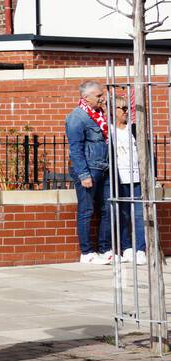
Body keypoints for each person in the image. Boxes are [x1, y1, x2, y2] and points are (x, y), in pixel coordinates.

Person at [66, 80, 113, 265]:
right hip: (89, 170)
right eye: (99, 96)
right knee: (86, 210)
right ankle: (86, 252)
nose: (102, 99)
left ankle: (104, 249)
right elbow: (75, 149)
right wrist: (83, 174)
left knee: (107, 209)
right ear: (86, 97)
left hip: (104, 168)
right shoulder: (77, 117)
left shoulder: (99, 116)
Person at [111, 98, 149, 266]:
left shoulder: (133, 129)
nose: (125, 111)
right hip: (119, 178)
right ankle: (126, 247)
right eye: (122, 108)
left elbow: (147, 151)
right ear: (113, 110)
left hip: (137, 178)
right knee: (123, 214)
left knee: (140, 215)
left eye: (127, 108)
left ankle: (140, 249)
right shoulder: (109, 131)